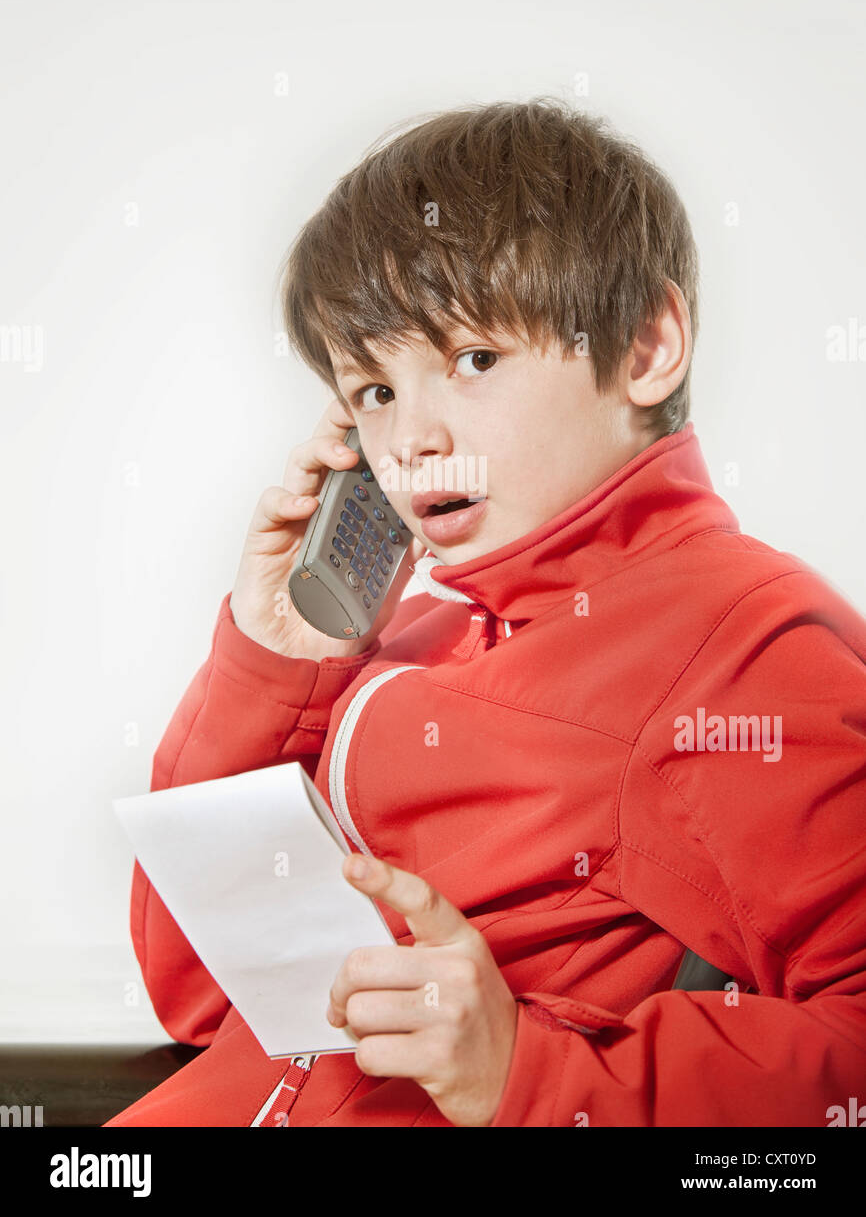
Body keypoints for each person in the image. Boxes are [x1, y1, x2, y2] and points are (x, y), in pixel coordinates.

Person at [105, 99, 866, 1127]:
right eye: (372, 388)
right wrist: (273, 665)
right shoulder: (417, 637)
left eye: (471, 359)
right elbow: (205, 999)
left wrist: (525, 1071)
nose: (411, 437)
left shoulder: (738, 643)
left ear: (644, 344)